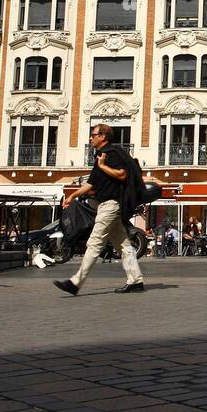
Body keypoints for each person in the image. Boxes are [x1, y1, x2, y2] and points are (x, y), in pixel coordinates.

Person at [55, 125, 144, 296]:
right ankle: (136, 280)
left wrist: (103, 166)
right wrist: (72, 195)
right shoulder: (101, 156)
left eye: (93, 135)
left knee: (95, 242)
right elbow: (91, 183)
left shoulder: (112, 153)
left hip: (111, 204)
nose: (90, 138)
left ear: (103, 137)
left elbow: (122, 174)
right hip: (106, 205)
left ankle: (76, 282)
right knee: (124, 245)